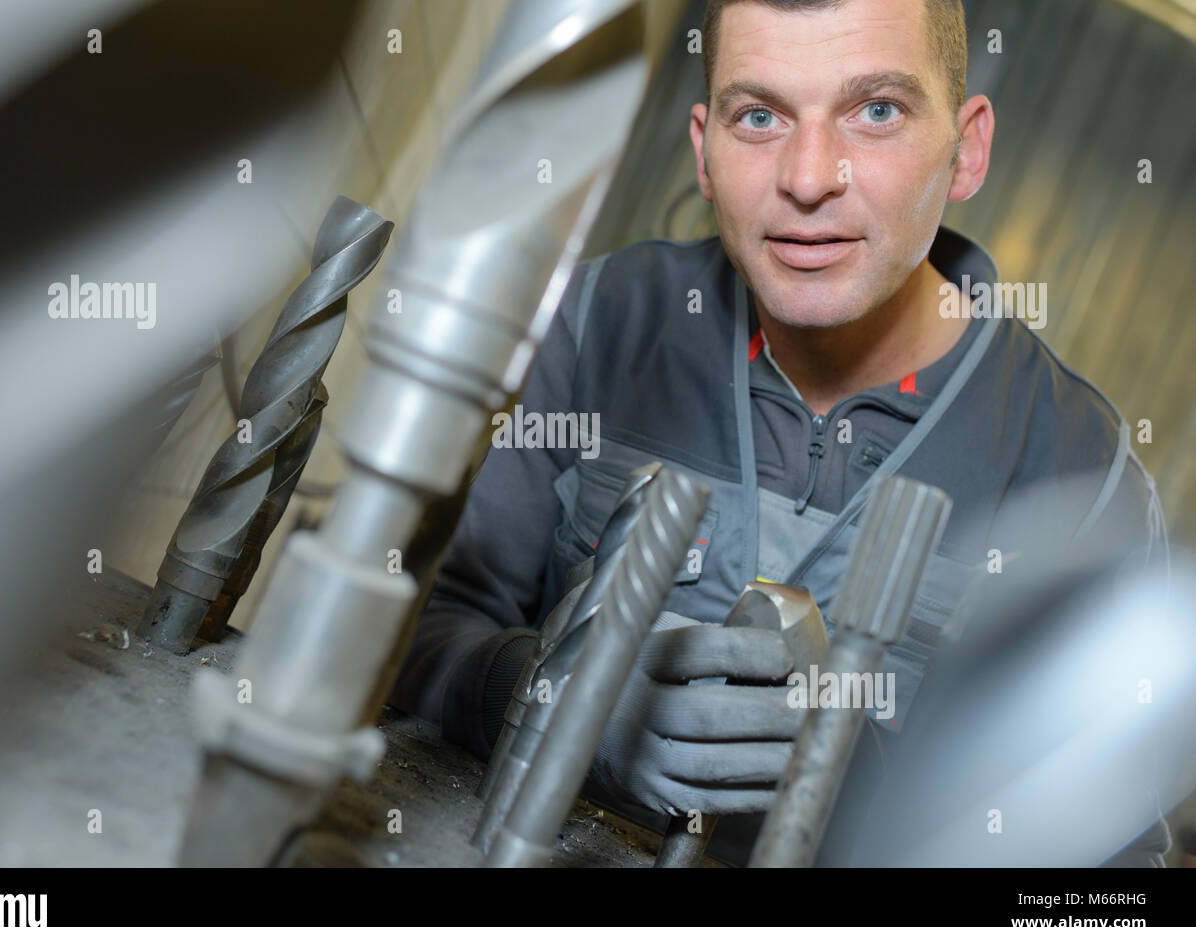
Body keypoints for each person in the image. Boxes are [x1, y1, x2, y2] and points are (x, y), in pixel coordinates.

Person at [389, 0, 1170, 865]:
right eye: (758, 116)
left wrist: (884, 811)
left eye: (877, 110)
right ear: (703, 151)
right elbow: (419, 629)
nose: (807, 177)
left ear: (967, 149)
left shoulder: (1078, 467)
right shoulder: (597, 320)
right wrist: (554, 700)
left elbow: (1111, 883)